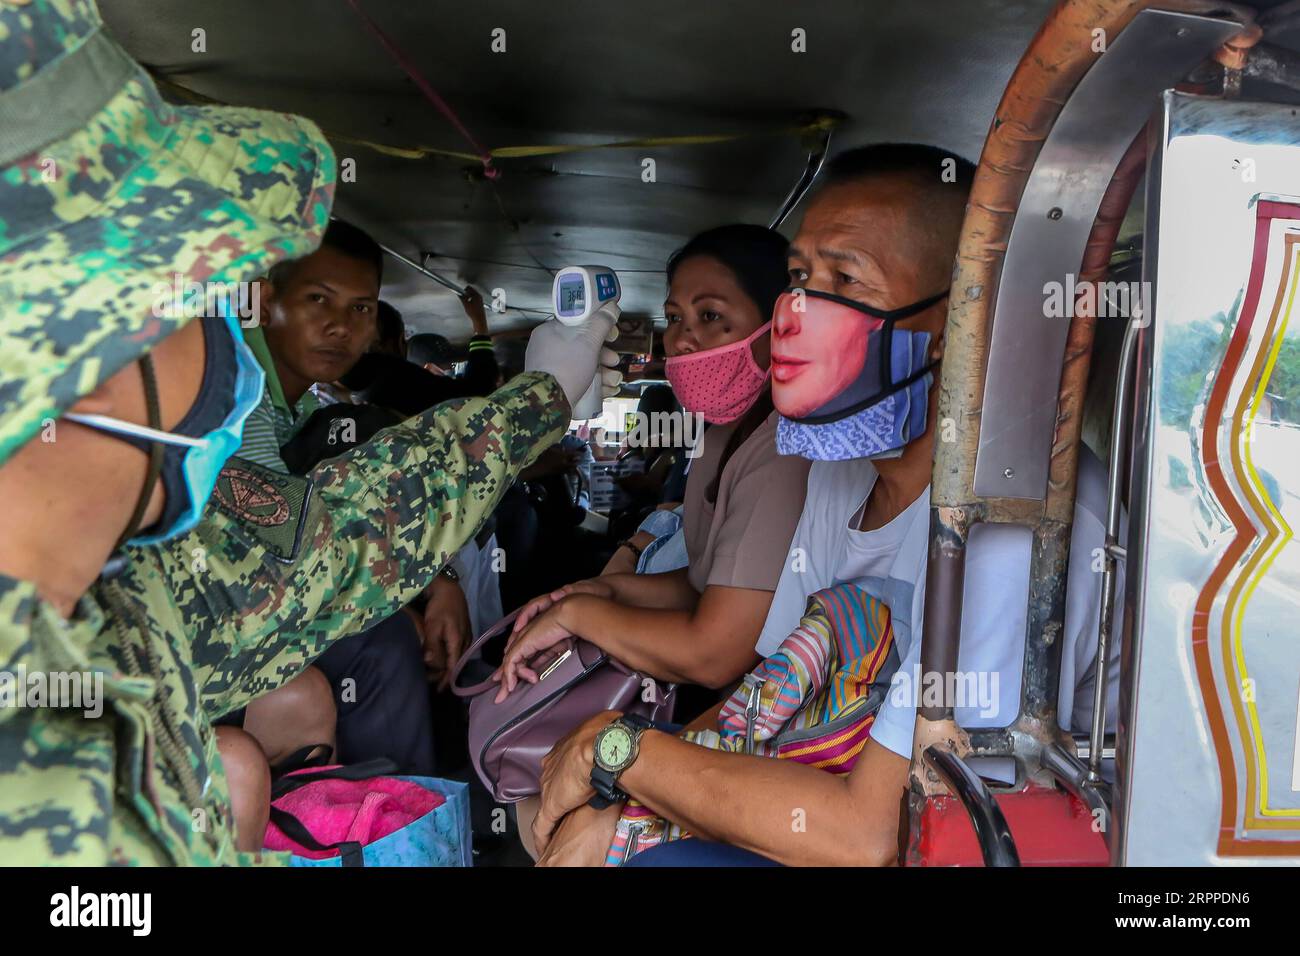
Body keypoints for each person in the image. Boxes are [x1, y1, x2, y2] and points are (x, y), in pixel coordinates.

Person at [0, 0, 618, 865]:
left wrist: (542, 393)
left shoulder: (120, 577)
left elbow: (337, 539)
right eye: (207, 293)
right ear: (91, 337)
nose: (227, 331)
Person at [524, 143, 1121, 867]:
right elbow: (765, 701)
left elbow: (865, 837)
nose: (802, 311)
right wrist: (629, 799)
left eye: (847, 279)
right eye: (801, 277)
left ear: (960, 320)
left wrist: (614, 751)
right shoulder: (837, 469)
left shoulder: (1007, 523)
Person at [497, 224, 811, 696]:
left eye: (710, 315)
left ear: (781, 323)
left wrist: (577, 614)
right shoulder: (722, 436)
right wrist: (601, 592)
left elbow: (713, 654)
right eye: (674, 318)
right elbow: (702, 586)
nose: (683, 339)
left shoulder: (786, 448)